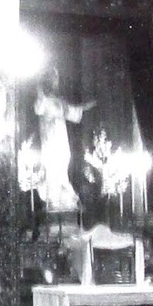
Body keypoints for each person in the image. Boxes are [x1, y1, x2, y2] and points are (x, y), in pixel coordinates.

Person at [33, 65, 93, 214]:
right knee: (52, 165)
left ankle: (63, 195)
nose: (55, 83)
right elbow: (39, 109)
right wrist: (39, 93)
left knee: (64, 159)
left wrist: (85, 107)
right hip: (50, 137)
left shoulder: (59, 101)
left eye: (57, 79)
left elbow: (72, 111)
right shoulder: (44, 100)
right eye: (53, 79)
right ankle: (53, 197)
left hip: (60, 136)